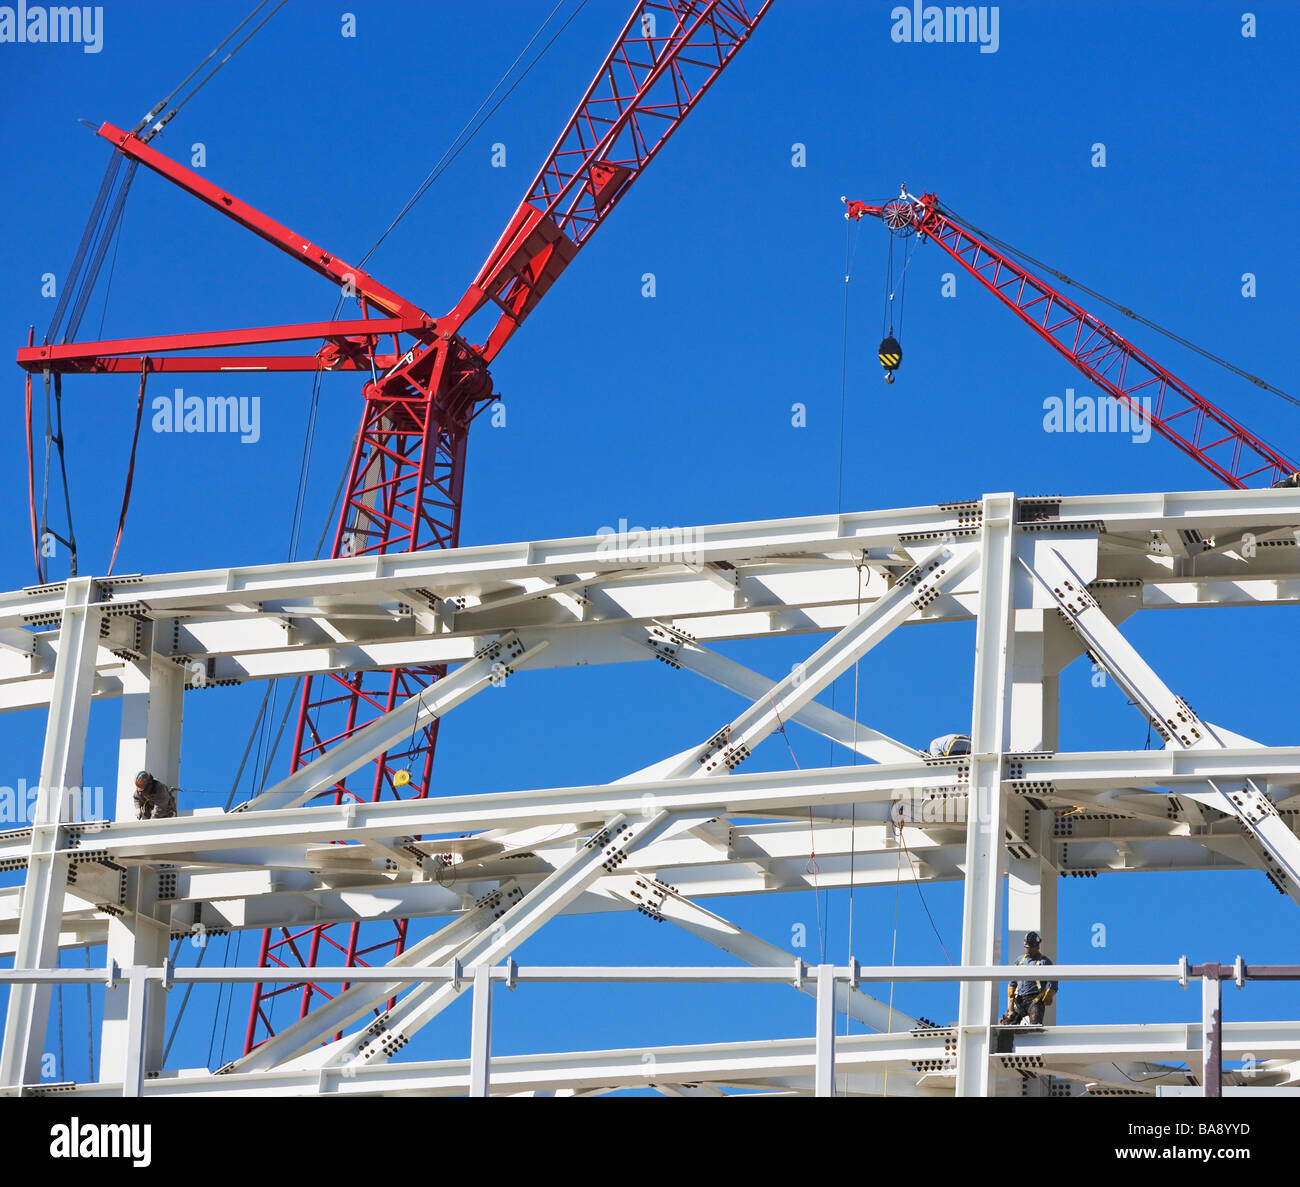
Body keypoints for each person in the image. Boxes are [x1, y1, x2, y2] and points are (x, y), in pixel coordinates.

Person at [1002, 931, 1058, 1025]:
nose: (1028, 950)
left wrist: (1049, 994)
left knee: (1035, 1026)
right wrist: (1011, 999)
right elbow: (1013, 980)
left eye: (1031, 948)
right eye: (1026, 947)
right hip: (1020, 1000)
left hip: (1035, 999)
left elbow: (1054, 980)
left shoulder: (1044, 962)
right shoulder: (1020, 961)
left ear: (1037, 947)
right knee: (1009, 1022)